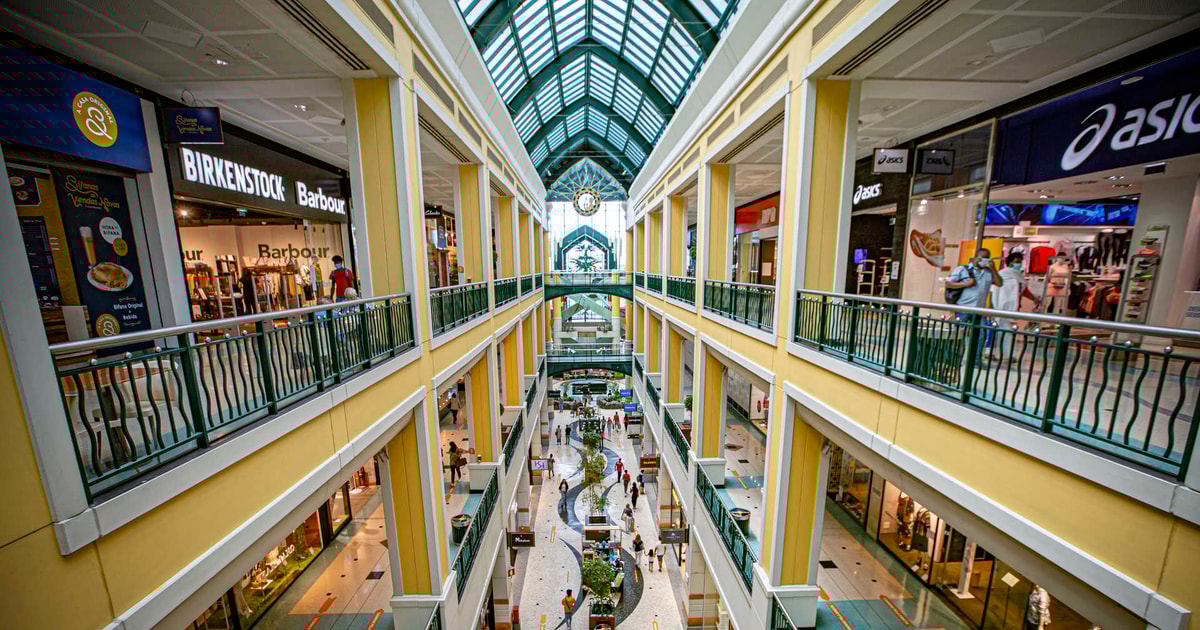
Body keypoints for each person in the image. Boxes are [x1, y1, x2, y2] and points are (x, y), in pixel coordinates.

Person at [990, 252, 1039, 361]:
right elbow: (996, 290)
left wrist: (1035, 299)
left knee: (1006, 331)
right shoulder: (1002, 274)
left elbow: (1023, 291)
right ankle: (997, 353)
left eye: (1020, 262)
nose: (1019, 264)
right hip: (1000, 306)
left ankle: (1005, 354)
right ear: (1009, 262)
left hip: (1012, 308)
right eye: (1016, 262)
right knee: (1003, 330)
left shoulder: (1019, 276)